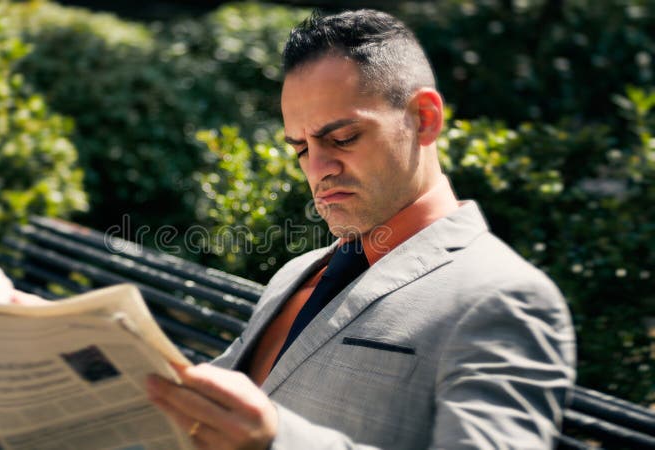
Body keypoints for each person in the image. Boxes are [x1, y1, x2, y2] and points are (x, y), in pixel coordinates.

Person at [145, 9, 576, 450]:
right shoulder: (297, 273)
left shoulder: (504, 296)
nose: (317, 169)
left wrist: (278, 441)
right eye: (300, 149)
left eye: (343, 138)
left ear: (424, 118)